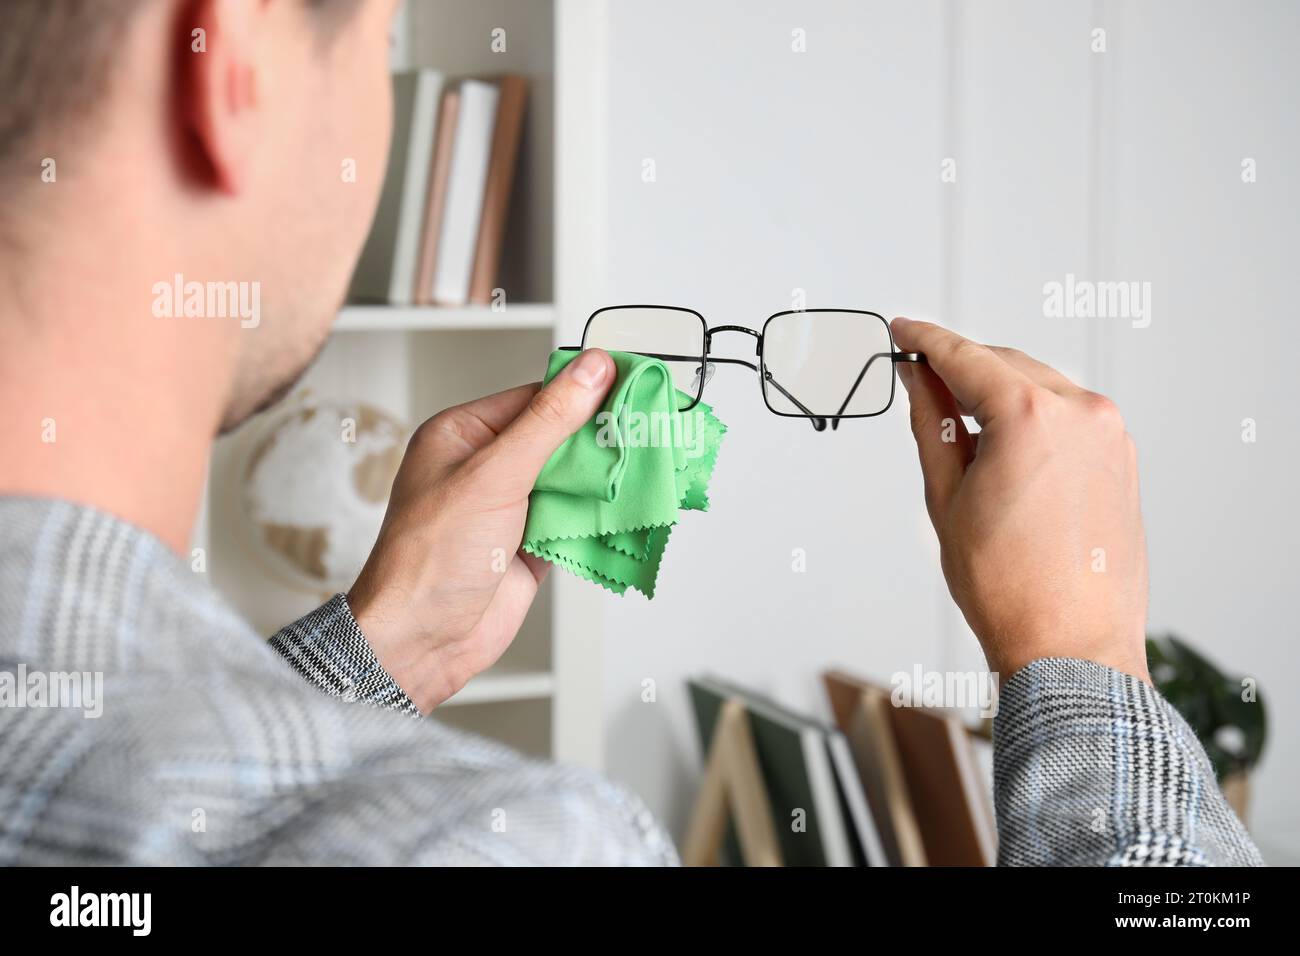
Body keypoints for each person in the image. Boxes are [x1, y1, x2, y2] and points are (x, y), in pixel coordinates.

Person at [0, 0, 1260, 866]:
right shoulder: (507, 843)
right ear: (233, 66)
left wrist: (370, 658)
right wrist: (1085, 659)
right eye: (380, 46)